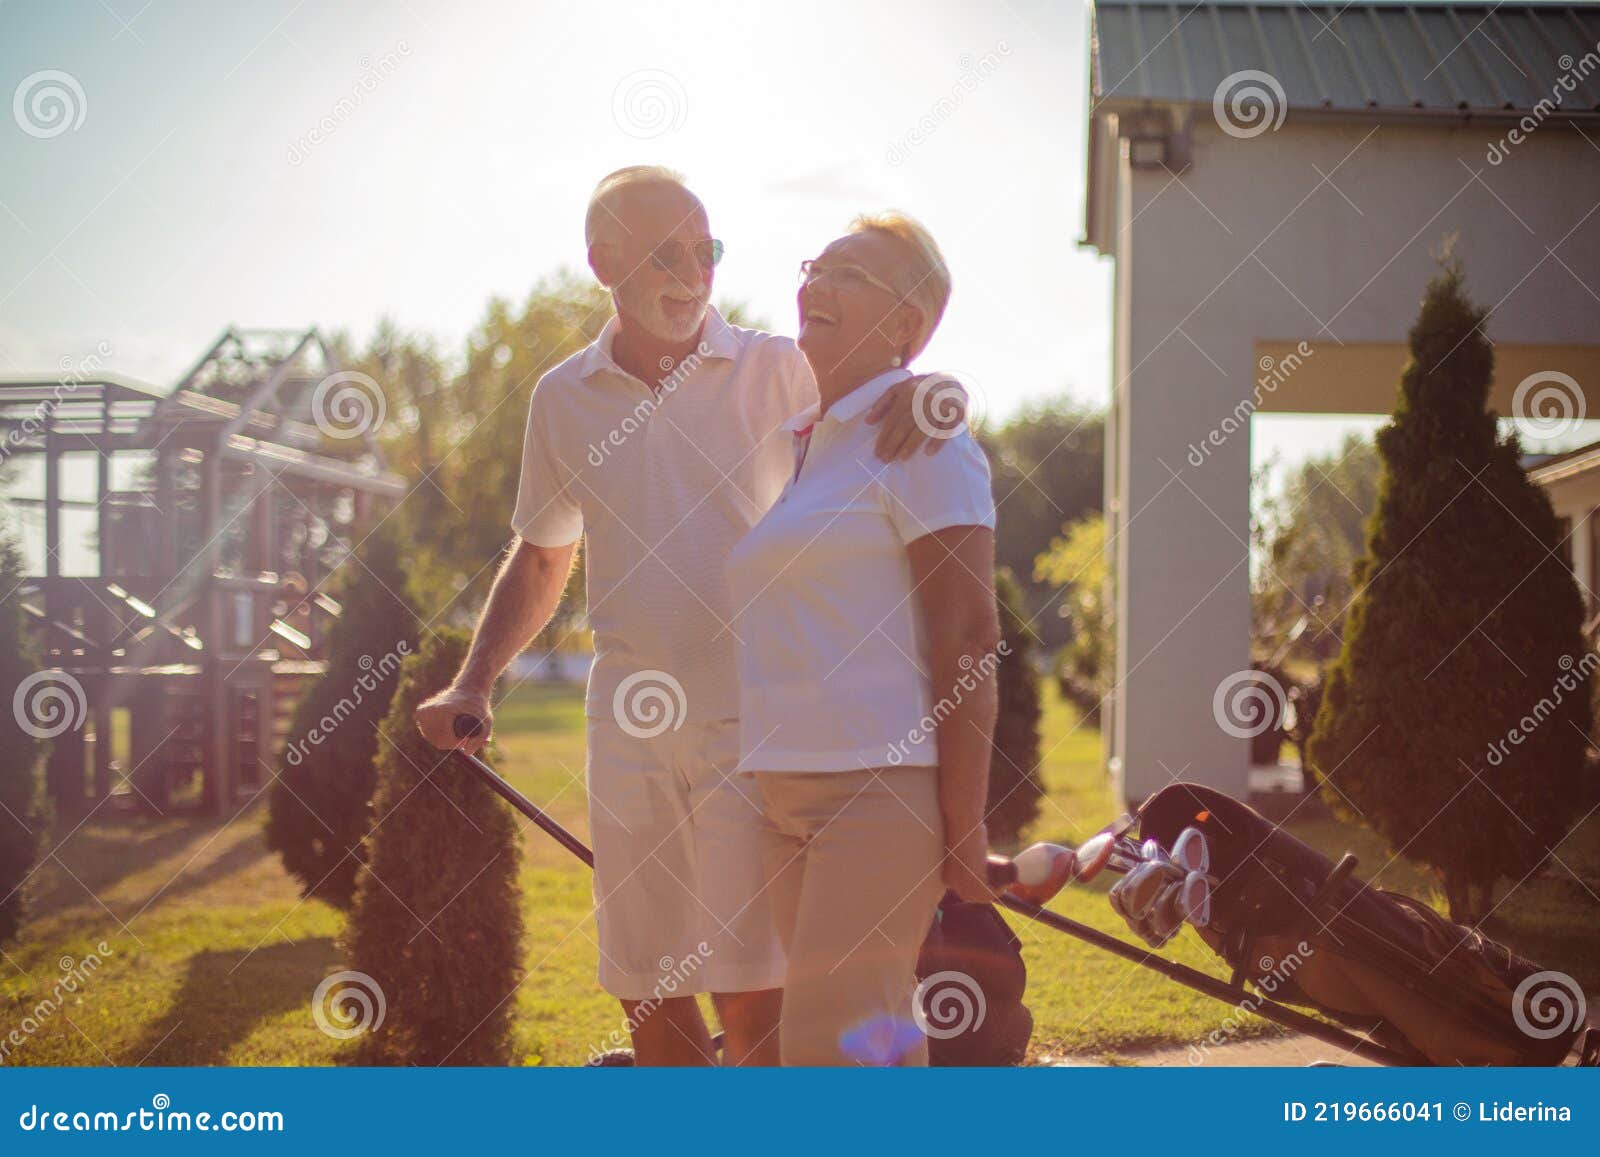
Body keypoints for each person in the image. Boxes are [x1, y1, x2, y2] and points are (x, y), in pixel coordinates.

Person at [413, 168, 961, 1066]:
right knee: (648, 990)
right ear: (604, 262)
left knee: (753, 1000)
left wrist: (937, 392)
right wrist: (474, 679)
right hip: (626, 726)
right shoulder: (563, 396)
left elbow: (879, 395)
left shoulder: (778, 367)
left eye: (706, 250)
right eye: (668, 252)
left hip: (756, 724)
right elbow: (546, 552)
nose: (693, 272)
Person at [726, 212, 1001, 1066]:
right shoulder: (807, 439)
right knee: (866, 1047)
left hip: (875, 794)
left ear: (907, 325)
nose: (816, 285)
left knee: (827, 1051)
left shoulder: (923, 438)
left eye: (849, 273)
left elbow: (968, 631)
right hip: (782, 797)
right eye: (815, 265)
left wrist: (963, 827)